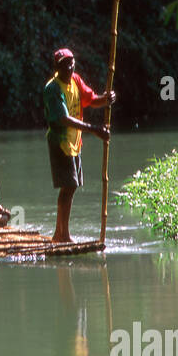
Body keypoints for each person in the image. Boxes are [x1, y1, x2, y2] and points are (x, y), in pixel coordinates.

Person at [43, 48, 115, 243]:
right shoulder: (52, 88)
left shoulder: (75, 80)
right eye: (65, 64)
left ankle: (60, 233)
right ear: (57, 68)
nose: (69, 67)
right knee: (69, 185)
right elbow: (63, 118)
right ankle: (62, 235)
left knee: (71, 187)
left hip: (75, 142)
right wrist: (94, 129)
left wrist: (106, 99)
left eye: (71, 63)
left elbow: (91, 100)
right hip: (60, 142)